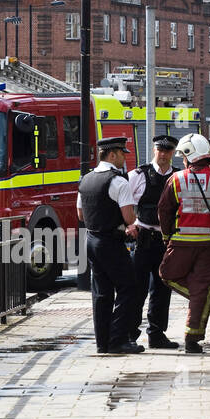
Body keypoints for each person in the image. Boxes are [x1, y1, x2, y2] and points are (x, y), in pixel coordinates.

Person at [158, 132, 210, 353]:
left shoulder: (176, 179)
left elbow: (164, 210)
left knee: (166, 274)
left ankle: (201, 312)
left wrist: (167, 236)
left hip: (181, 242)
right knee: (201, 287)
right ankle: (193, 336)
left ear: (188, 154)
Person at [77, 135, 144, 354]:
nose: (124, 160)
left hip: (91, 240)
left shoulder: (86, 179)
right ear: (112, 154)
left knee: (102, 293)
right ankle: (118, 339)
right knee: (128, 288)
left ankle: (102, 342)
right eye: (122, 155)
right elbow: (129, 218)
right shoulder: (117, 181)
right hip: (111, 242)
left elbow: (80, 214)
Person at [126, 133, 179, 349]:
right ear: (154, 150)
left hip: (166, 241)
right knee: (136, 289)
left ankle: (157, 335)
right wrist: (128, 226)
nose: (163, 154)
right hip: (143, 238)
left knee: (162, 289)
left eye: (168, 151)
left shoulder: (178, 176)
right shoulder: (138, 175)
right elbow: (122, 202)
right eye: (160, 150)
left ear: (173, 153)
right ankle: (130, 334)